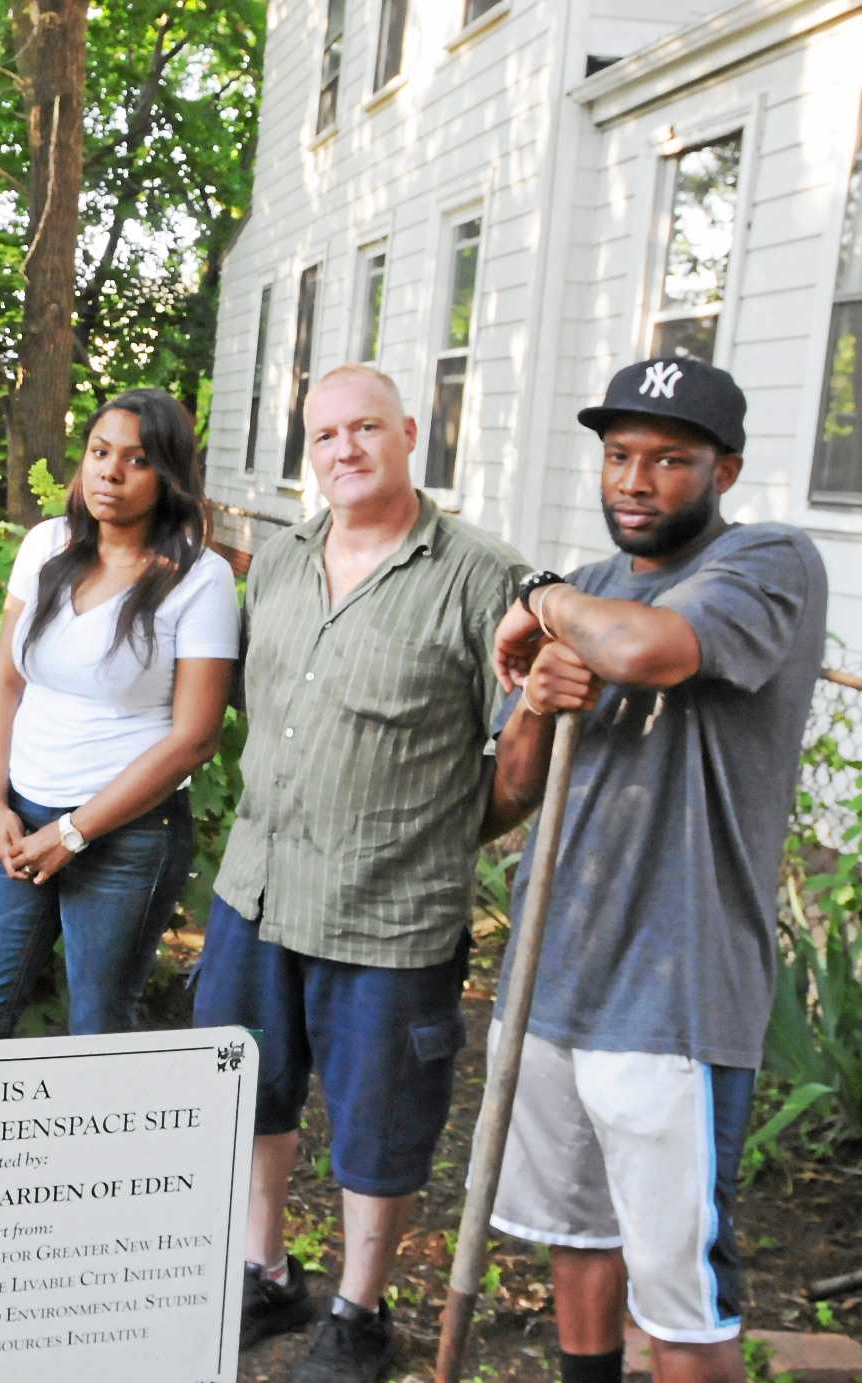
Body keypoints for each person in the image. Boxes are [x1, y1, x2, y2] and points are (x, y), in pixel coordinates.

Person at [483, 358, 827, 1383]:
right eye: (618, 455)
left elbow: (647, 650)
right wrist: (539, 701)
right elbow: (502, 798)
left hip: (672, 996)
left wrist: (533, 599)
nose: (633, 481)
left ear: (722, 468)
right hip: (551, 977)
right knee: (573, 1241)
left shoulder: (768, 562)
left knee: (679, 1303)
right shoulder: (582, 591)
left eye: (668, 460)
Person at [193, 363, 528, 1382]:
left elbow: (514, 764)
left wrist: (432, 838)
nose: (342, 448)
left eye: (363, 428)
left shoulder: (480, 575)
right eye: (324, 433)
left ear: (409, 433)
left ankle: (357, 1310)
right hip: (255, 886)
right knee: (254, 1091)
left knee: (380, 1124)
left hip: (388, 912)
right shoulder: (283, 561)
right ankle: (264, 1270)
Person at [0, 388, 236, 1040]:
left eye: (136, 459)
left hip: (127, 836)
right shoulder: (48, 543)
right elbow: (4, 683)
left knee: (98, 1031)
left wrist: (74, 832)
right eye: (100, 452)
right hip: (20, 817)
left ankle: (100, 1146)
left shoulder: (199, 578)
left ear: (170, 474)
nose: (110, 470)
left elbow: (195, 739)